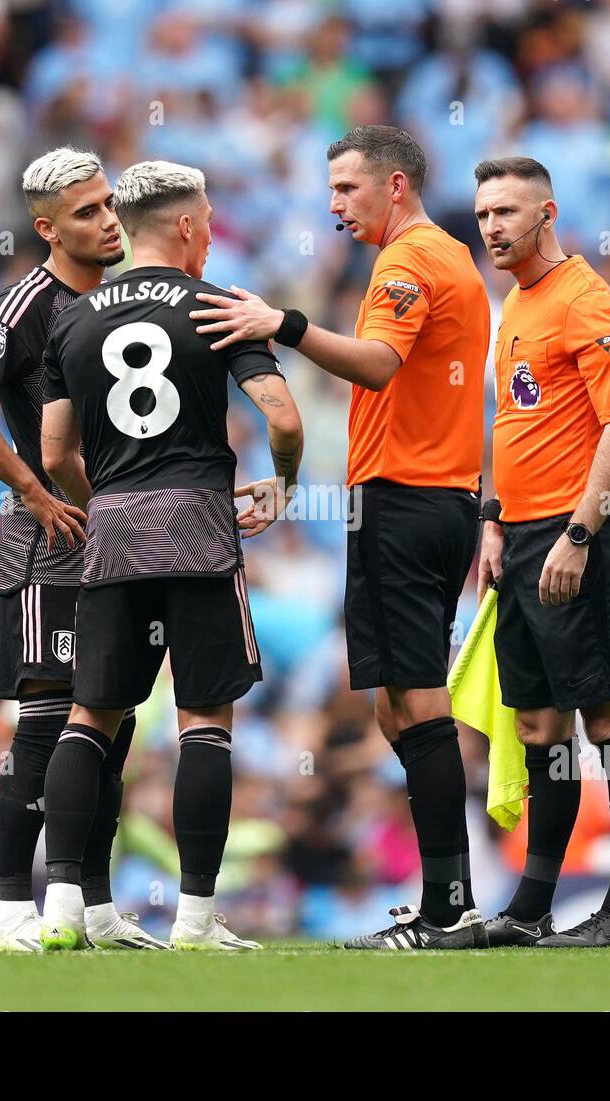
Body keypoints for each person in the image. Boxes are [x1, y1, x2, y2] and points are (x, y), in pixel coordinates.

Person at [189, 126, 490, 949]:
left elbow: (380, 364)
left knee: (416, 704)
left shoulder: (409, 259)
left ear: (395, 185)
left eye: (347, 189)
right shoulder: (447, 258)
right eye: (329, 190)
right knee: (397, 708)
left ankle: (451, 906)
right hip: (424, 497)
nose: (333, 205)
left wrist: (279, 322)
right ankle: (445, 898)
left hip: (407, 500)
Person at [37, 159, 303, 951]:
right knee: (203, 722)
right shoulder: (216, 305)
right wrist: (284, 482)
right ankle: (194, 919)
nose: (213, 235)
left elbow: (54, 455)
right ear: (186, 226)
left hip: (112, 524)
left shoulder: (74, 320)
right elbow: (283, 417)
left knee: (90, 717)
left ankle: (59, 908)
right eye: (210, 222)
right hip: (196, 524)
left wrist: (108, 505)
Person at [0, 147, 166, 951]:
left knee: (111, 718)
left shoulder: (125, 298)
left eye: (108, 205)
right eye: (87, 213)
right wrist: (35, 489)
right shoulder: (28, 301)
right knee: (45, 721)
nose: (108, 222)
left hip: (115, 537)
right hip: (50, 540)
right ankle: (8, 910)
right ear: (45, 229)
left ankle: (94, 904)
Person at [473, 156, 610, 948]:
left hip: (579, 537)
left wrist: (579, 532)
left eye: (507, 212)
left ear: (548, 212)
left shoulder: (586, 299)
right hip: (518, 538)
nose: (492, 228)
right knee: (540, 724)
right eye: (483, 214)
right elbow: (516, 426)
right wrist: (492, 519)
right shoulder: (515, 300)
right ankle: (532, 905)